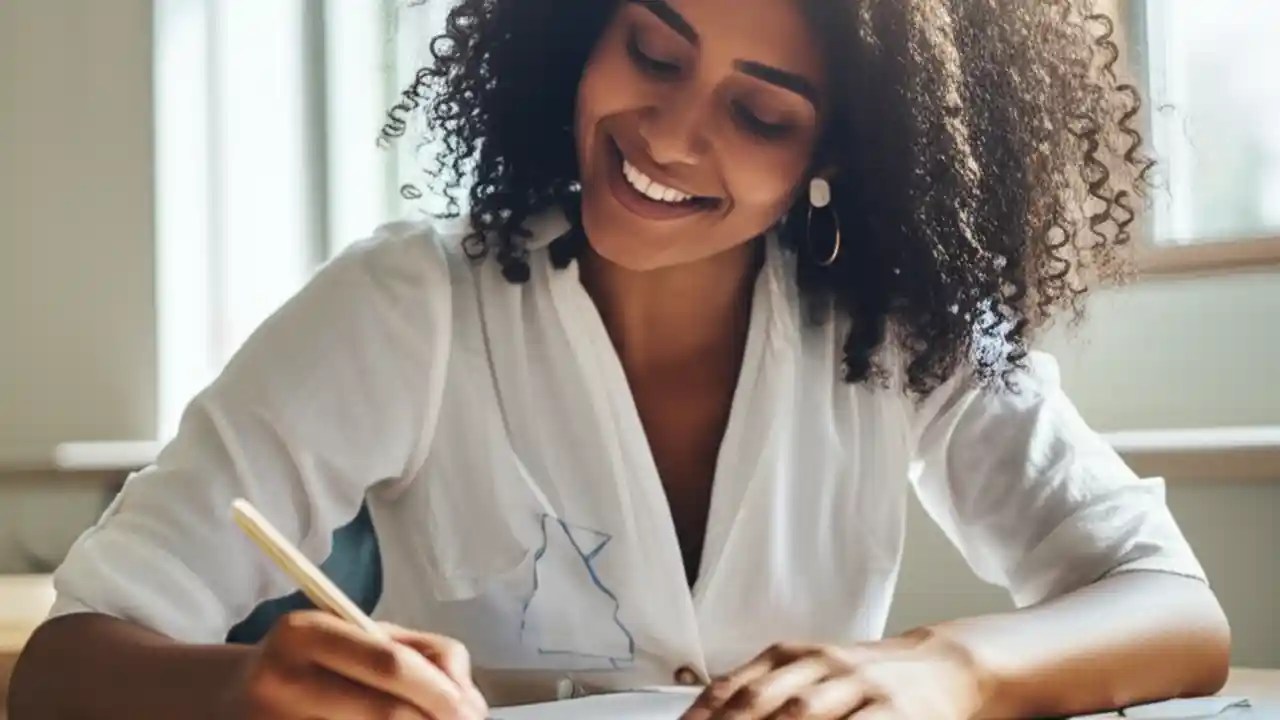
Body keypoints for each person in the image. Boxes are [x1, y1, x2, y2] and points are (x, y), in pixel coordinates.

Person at [10, 0, 1231, 718]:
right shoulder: (404, 306)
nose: (667, 132)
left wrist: (945, 672)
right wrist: (240, 696)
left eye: (758, 114)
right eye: (652, 50)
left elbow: (1175, 611)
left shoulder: (899, 329)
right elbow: (62, 665)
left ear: (845, 156)